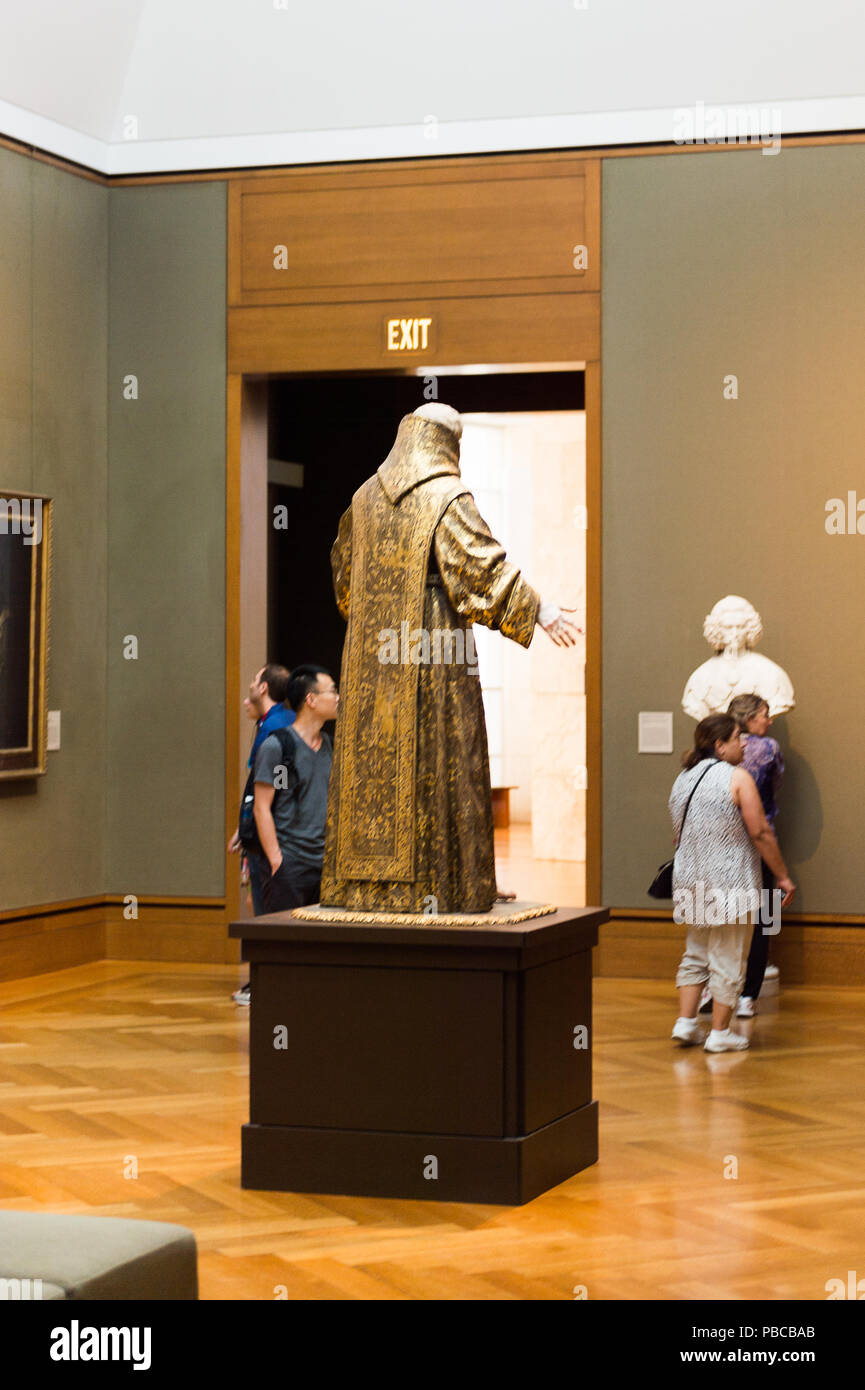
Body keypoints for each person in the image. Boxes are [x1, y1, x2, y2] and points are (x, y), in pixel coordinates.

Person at [319, 402, 580, 915]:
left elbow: (344, 584)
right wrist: (539, 607)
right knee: (443, 756)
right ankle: (452, 883)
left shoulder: (362, 500)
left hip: (371, 656)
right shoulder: (446, 496)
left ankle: (363, 891)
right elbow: (479, 567)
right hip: (433, 651)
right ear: (445, 442)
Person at [669, 713, 795, 1053]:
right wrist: (782, 875)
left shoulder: (683, 778)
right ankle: (721, 1032)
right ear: (719, 745)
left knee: (695, 952)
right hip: (730, 882)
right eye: (738, 737)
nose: (744, 743)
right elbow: (760, 831)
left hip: (690, 879)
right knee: (729, 955)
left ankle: (687, 1022)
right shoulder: (737, 777)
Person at [228, 664, 293, 1004]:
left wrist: (254, 827)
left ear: (264, 687)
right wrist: (244, 826)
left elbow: (267, 788)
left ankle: (265, 981)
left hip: (271, 834)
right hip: (263, 829)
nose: (248, 688)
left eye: (254, 680)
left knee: (266, 905)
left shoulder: (275, 728)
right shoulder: (272, 722)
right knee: (261, 902)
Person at [254, 665, 338, 914]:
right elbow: (263, 807)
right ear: (311, 699)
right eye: (332, 691)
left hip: (324, 867)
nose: (338, 697)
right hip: (290, 866)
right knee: (283, 944)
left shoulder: (331, 748)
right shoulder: (279, 746)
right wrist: (277, 860)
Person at [727, 693, 786, 1017]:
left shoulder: (716, 752)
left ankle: (719, 990)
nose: (769, 720)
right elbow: (776, 784)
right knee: (766, 918)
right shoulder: (770, 748)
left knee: (723, 918)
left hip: (725, 846)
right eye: (765, 714)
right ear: (750, 718)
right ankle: (749, 996)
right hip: (764, 839)